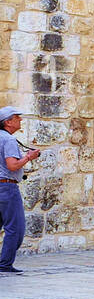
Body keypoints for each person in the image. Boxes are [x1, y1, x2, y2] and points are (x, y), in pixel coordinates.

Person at [0, 107, 40, 274]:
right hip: (7, 187)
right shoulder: (8, 140)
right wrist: (29, 157)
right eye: (17, 117)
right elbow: (12, 165)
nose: (20, 120)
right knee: (15, 228)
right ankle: (5, 264)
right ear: (8, 122)